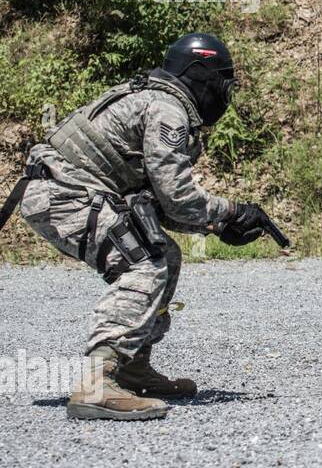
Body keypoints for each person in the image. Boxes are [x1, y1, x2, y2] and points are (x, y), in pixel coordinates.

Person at [0, 33, 285, 419]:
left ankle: (131, 369)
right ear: (200, 75)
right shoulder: (168, 110)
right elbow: (178, 196)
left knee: (164, 253)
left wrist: (217, 226)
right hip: (64, 194)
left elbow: (156, 202)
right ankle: (97, 383)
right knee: (144, 263)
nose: (224, 95)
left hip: (62, 191)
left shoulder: (155, 99)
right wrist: (232, 211)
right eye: (222, 83)